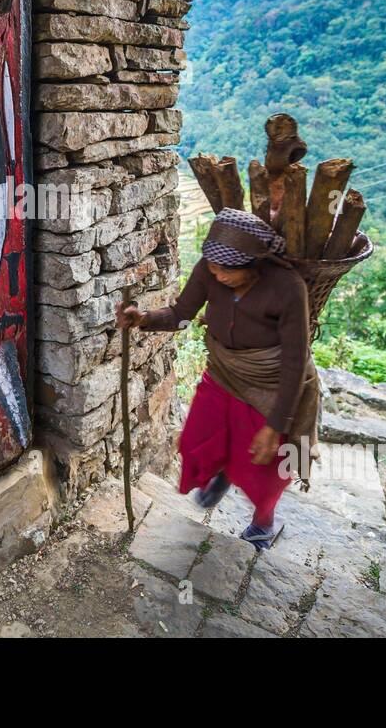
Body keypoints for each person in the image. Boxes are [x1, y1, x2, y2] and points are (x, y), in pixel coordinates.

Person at [116, 208, 319, 549]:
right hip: (225, 371)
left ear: (255, 265)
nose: (218, 275)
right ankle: (224, 472)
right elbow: (182, 315)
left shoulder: (287, 288)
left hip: (273, 382)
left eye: (227, 270)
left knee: (266, 467)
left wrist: (275, 423)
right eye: (212, 267)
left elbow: (296, 359)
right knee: (197, 439)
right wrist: (144, 319)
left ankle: (262, 524)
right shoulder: (209, 272)